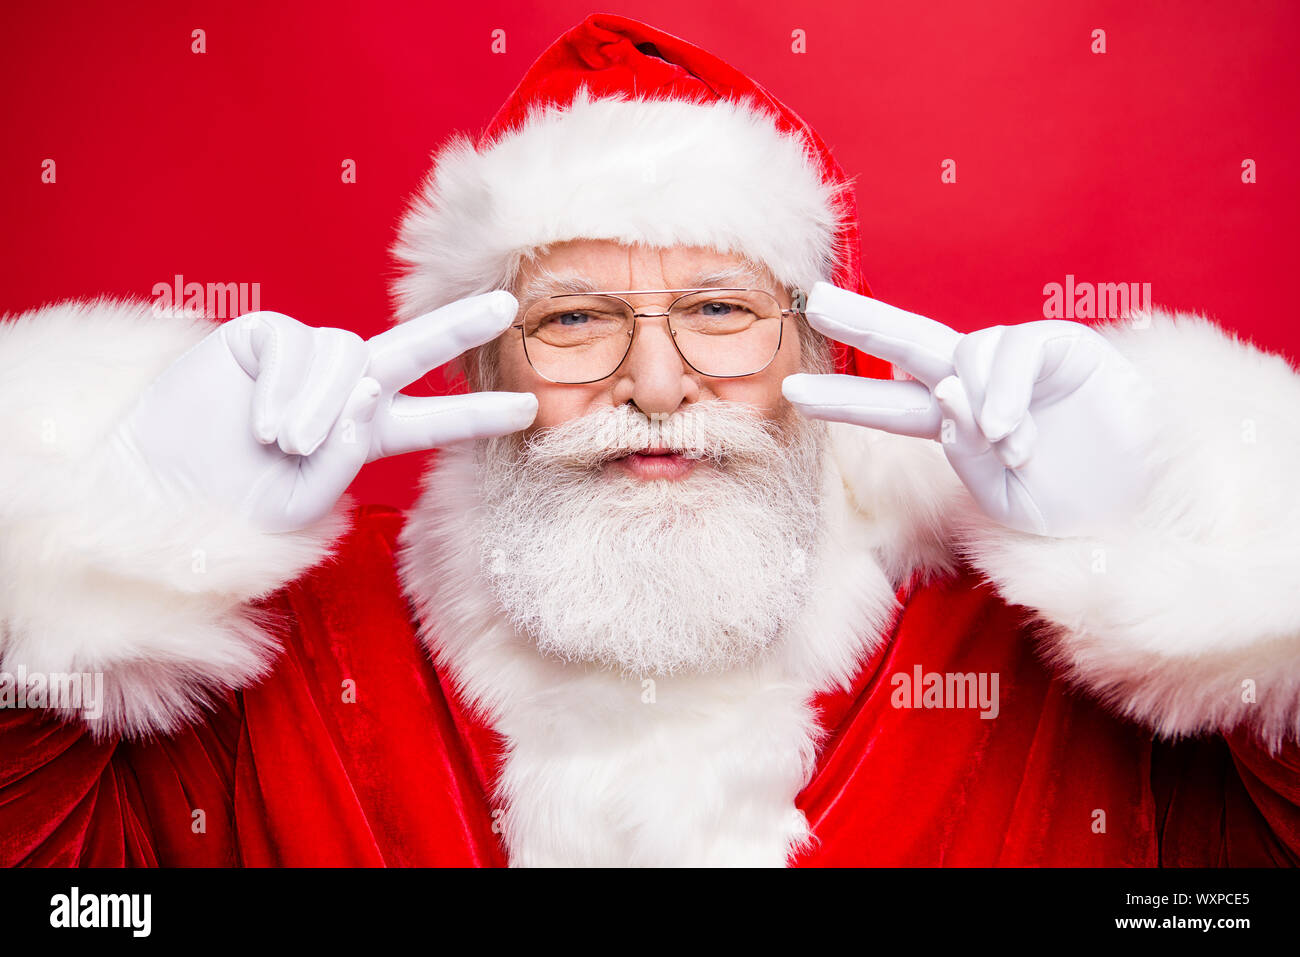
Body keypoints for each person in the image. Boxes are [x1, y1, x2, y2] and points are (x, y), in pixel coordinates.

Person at [1, 13, 1296, 867]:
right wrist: (107, 544)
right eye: (575, 318)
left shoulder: (1030, 662)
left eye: (723, 310)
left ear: (822, 353)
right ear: (479, 359)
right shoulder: (289, 649)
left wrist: (1195, 541)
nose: (659, 382)